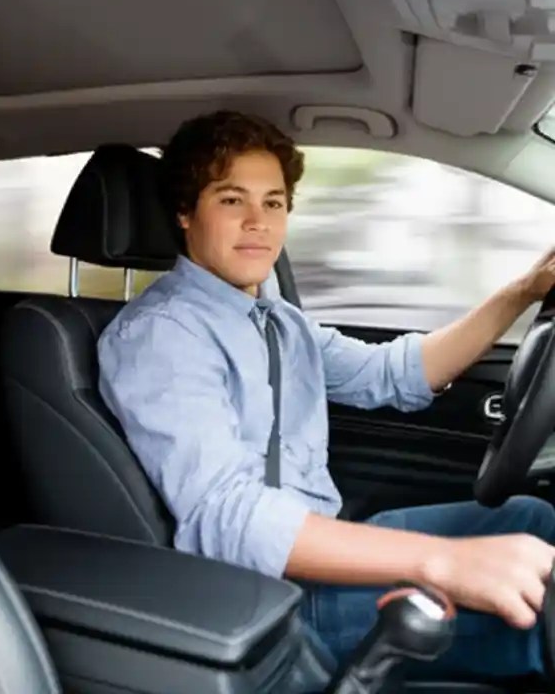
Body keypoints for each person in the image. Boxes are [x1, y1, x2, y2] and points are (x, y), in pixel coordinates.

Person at [97, 109, 555, 681]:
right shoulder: (160, 335)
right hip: (270, 597)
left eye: (273, 203)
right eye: (232, 200)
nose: (258, 222)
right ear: (186, 212)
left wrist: (524, 291)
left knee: (530, 519)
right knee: (536, 614)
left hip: (314, 553)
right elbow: (228, 516)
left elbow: (395, 372)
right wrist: (444, 562)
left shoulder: (279, 321)